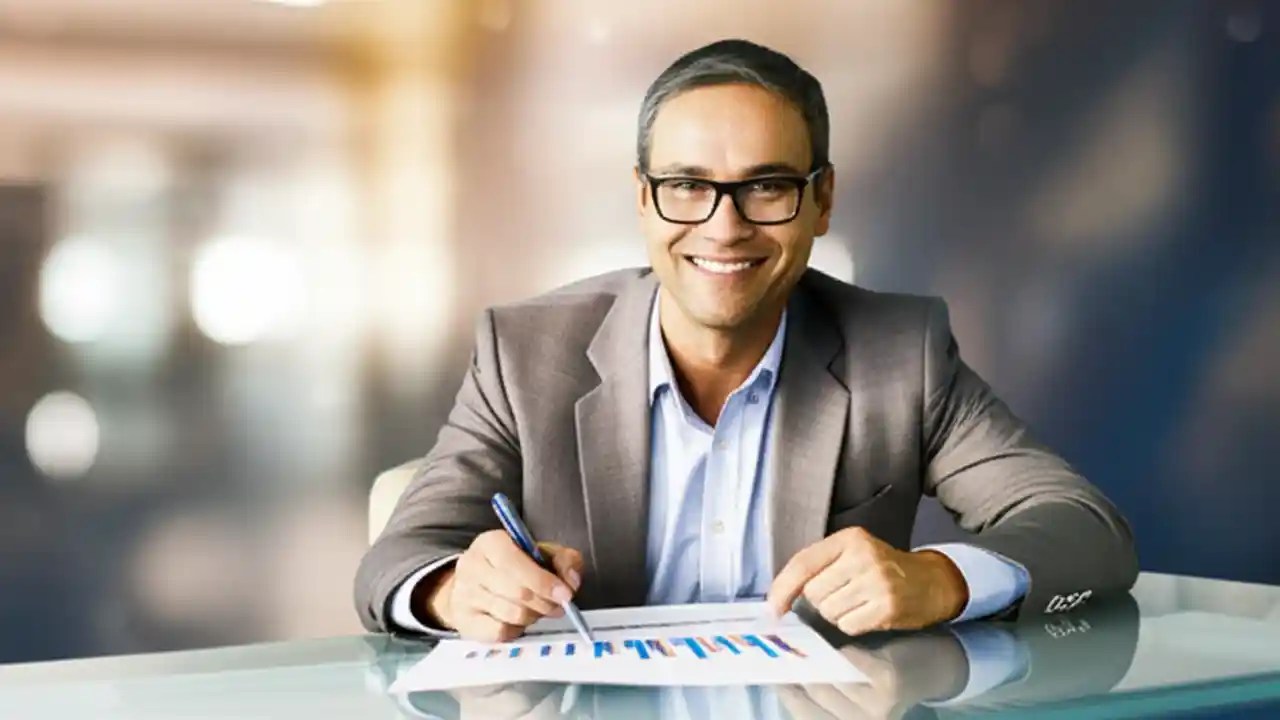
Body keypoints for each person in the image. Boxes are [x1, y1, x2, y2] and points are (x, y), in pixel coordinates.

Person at [354, 39, 1138, 642]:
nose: (723, 227)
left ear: (821, 200)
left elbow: (1086, 531)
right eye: (688, 186)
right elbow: (396, 560)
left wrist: (940, 580)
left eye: (766, 186)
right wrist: (451, 588)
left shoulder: (900, 351)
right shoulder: (526, 352)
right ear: (643, 199)